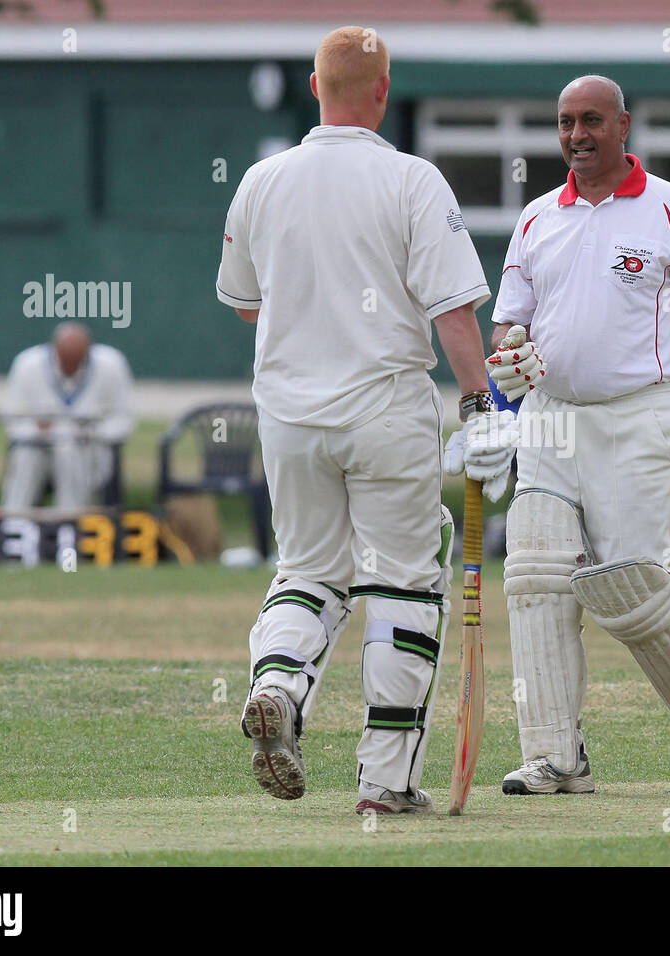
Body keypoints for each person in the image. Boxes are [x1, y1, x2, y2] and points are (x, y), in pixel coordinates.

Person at [217, 26, 508, 814]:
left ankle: (278, 685)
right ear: (383, 91)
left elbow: (246, 306)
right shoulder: (413, 181)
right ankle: (385, 781)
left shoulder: (261, 180)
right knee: (405, 583)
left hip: (287, 413)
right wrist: (482, 403)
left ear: (315, 87)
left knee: (308, 572)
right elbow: (453, 312)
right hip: (384, 406)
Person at [483, 75, 670, 795]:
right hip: (550, 416)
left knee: (633, 585)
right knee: (537, 575)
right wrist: (509, 355)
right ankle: (555, 754)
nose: (577, 135)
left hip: (641, 413)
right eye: (565, 122)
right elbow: (509, 319)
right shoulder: (538, 216)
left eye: (592, 122)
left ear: (623, 126)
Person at [0, 322, 135, 509]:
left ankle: (72, 519)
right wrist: (37, 430)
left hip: (89, 450)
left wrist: (91, 432)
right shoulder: (27, 364)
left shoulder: (111, 364)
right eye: (66, 361)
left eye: (76, 362)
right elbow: (13, 419)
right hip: (37, 445)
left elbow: (122, 420)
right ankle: (13, 516)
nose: (70, 368)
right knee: (26, 454)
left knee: (69, 450)